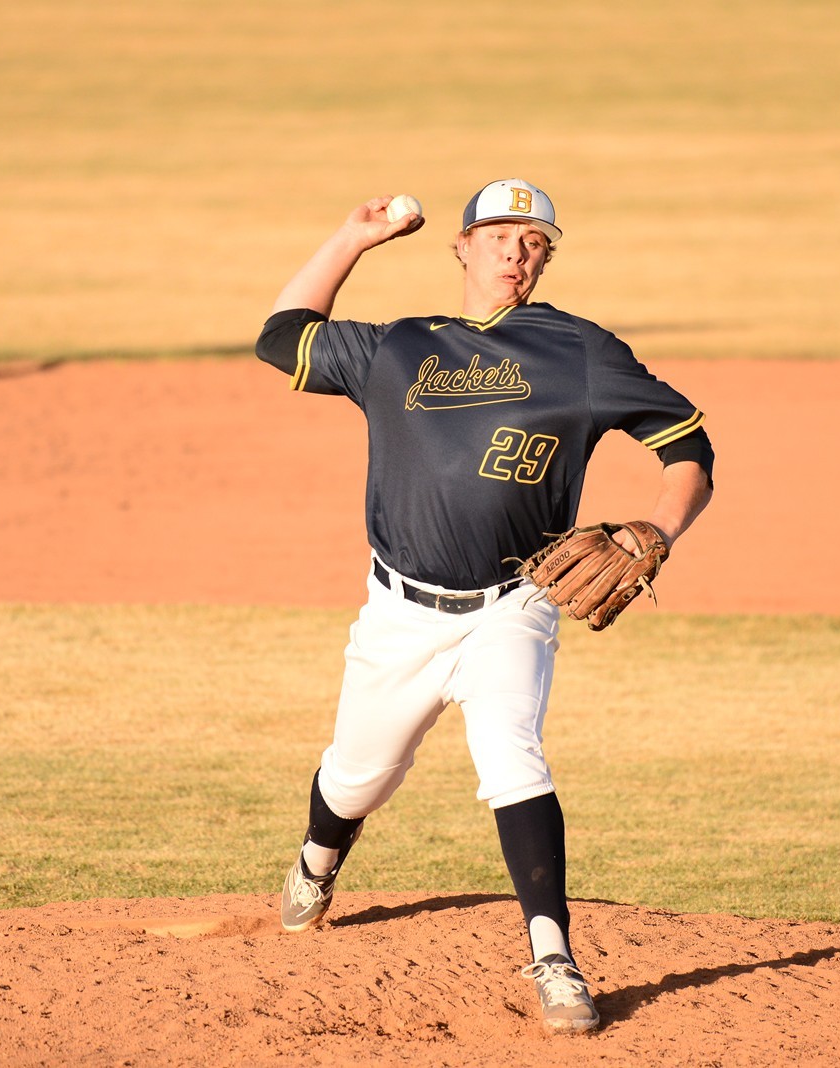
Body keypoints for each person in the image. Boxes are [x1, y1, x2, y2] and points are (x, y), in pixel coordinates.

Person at [254, 179, 715, 1034]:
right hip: (399, 615)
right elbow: (281, 340)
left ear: (545, 259)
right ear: (462, 247)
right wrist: (351, 239)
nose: (516, 250)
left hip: (516, 603)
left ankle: (555, 958)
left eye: (534, 240)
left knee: (514, 760)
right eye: (499, 233)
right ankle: (319, 860)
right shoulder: (399, 348)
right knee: (358, 777)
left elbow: (689, 447)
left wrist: (660, 526)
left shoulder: (581, 352)